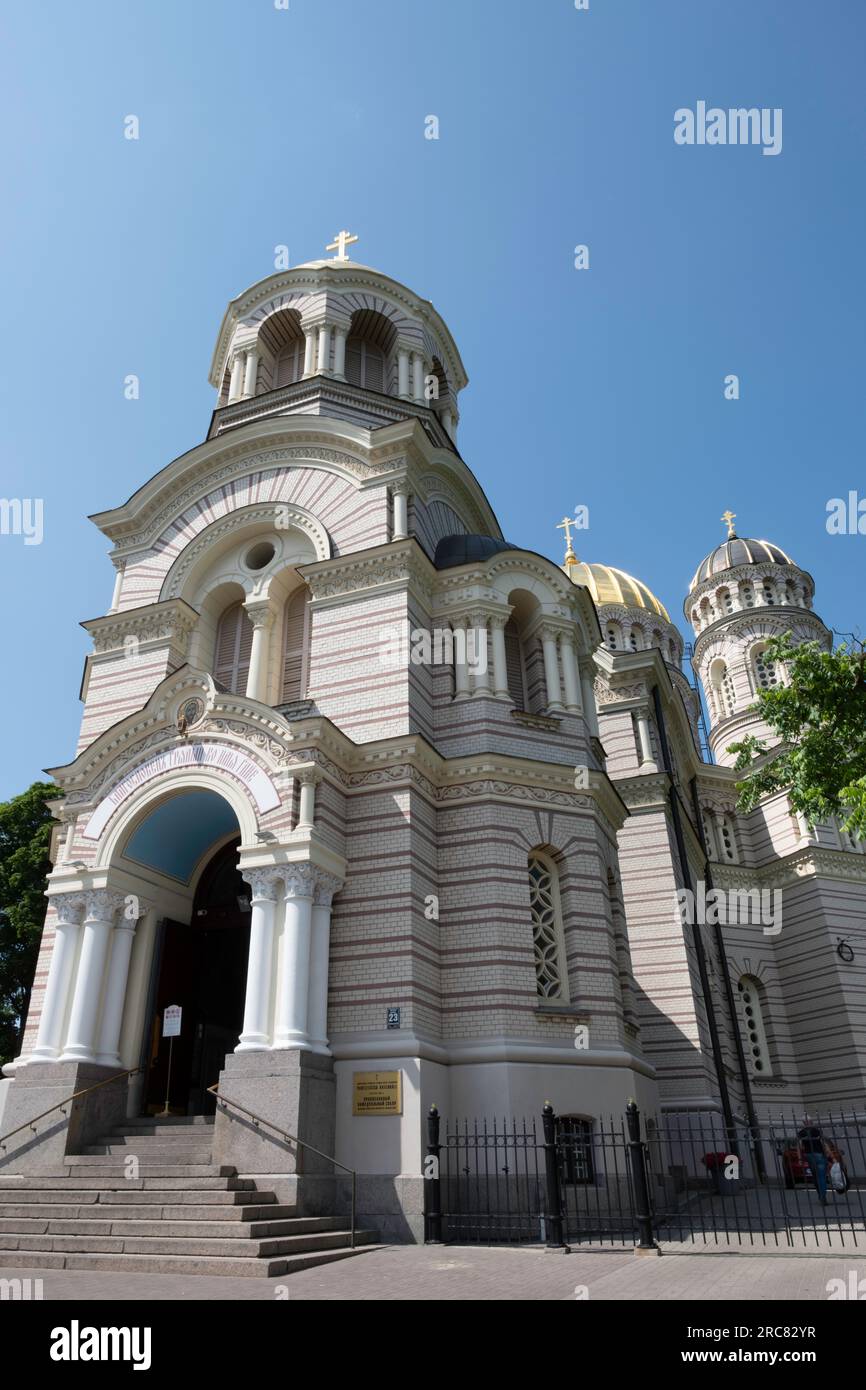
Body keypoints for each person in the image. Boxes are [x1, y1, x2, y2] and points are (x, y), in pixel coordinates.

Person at [797, 1118, 828, 1204]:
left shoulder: (801, 1133)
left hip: (809, 1155)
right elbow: (823, 1143)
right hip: (819, 1155)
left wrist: (800, 1158)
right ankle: (823, 1196)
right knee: (821, 1176)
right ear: (811, 1122)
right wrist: (828, 1155)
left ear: (803, 1123)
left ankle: (820, 1195)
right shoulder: (817, 1131)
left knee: (815, 1176)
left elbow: (799, 1147)